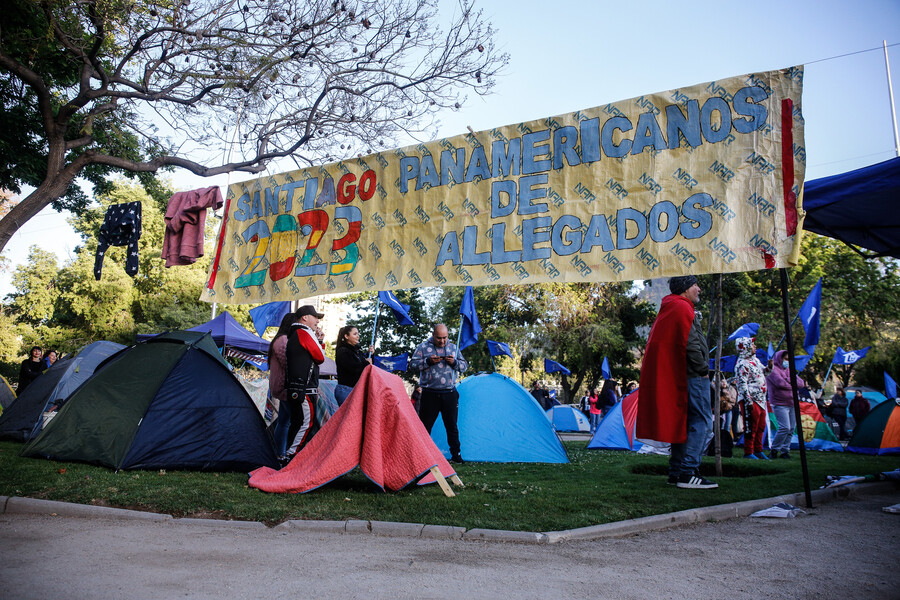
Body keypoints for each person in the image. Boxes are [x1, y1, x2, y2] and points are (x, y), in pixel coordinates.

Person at [636, 275, 717, 489]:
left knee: (685, 423)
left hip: (682, 374)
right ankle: (688, 471)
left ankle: (676, 471)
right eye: (695, 285)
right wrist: (703, 369)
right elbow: (690, 344)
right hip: (693, 375)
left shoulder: (671, 307)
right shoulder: (682, 308)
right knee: (702, 422)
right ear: (685, 288)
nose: (698, 289)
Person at [410, 324, 468, 463]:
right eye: (439, 338)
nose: (442, 341)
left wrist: (454, 362)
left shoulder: (453, 347)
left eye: (444, 338)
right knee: (425, 426)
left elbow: (464, 367)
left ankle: (456, 455)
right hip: (429, 393)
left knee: (452, 426)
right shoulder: (423, 347)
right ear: (433, 335)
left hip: (449, 393)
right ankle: (422, 455)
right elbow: (412, 365)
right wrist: (428, 361)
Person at [284, 305, 326, 459]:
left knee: (297, 422)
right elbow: (320, 358)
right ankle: (291, 457)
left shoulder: (295, 333)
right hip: (305, 388)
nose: (317, 321)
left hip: (298, 387)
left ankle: (289, 455)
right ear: (305, 318)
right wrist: (320, 341)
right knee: (305, 423)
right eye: (315, 317)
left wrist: (319, 340)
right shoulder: (303, 332)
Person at [267, 312, 297, 462]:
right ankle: (282, 453)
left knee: (284, 420)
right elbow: (288, 362)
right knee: (287, 422)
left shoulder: (279, 339)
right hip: (283, 385)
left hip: (278, 385)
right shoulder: (284, 340)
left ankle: (280, 452)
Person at [765, 350, 805, 459]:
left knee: (791, 428)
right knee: (785, 428)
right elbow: (780, 383)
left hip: (792, 403)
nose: (787, 361)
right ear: (780, 358)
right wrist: (792, 384)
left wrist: (788, 379)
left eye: (788, 359)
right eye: (785, 359)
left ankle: (785, 451)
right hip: (779, 403)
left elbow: (801, 384)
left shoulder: (789, 370)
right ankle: (774, 450)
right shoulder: (772, 370)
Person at [735, 337, 768, 460]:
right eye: (752, 345)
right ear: (746, 347)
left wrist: (769, 367)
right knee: (751, 426)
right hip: (751, 400)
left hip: (761, 399)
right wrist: (748, 400)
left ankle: (758, 450)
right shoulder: (741, 365)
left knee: (761, 426)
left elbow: (765, 373)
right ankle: (748, 452)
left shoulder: (755, 361)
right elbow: (742, 384)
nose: (755, 347)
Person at [334, 325, 373, 406]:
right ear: (346, 336)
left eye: (358, 334)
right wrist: (366, 363)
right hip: (346, 390)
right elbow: (354, 368)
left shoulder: (357, 352)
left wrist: (370, 355)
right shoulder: (343, 351)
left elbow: (367, 367)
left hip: (356, 390)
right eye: (355, 334)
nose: (358, 336)